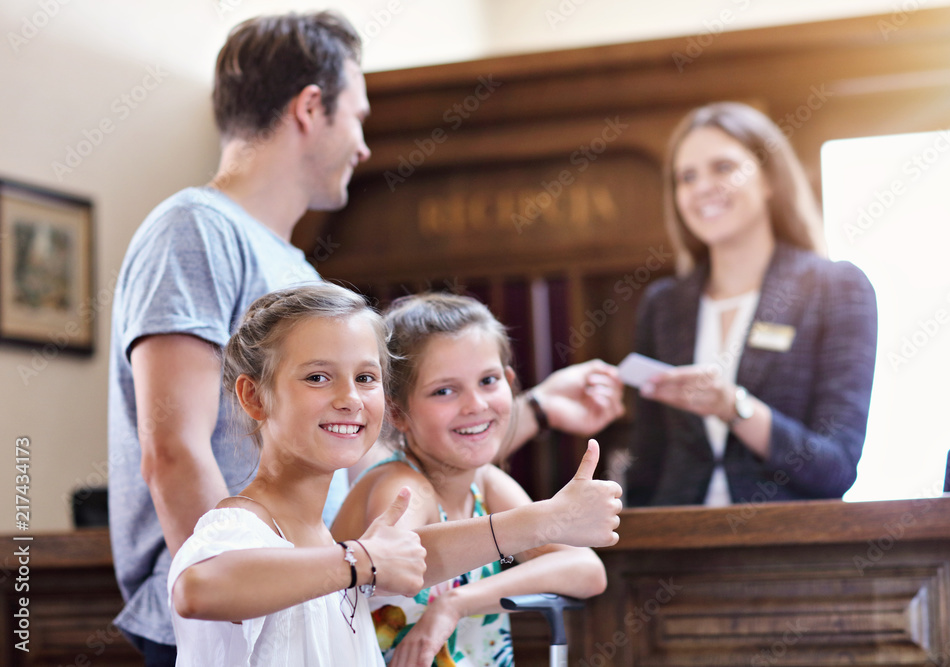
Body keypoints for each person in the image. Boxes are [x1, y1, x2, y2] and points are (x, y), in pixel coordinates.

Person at [107, 11, 624, 665]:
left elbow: (390, 455)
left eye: (366, 377)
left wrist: (540, 413)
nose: (364, 145)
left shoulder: (302, 275)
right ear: (310, 107)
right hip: (248, 616)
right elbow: (174, 450)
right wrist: (255, 606)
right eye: (357, 115)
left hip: (320, 596)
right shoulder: (197, 228)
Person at [167, 283, 623, 667]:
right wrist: (360, 561)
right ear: (254, 397)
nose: (350, 398)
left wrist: (550, 521)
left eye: (366, 378)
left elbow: (411, 559)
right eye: (317, 378)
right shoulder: (243, 528)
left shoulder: (323, 545)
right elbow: (198, 588)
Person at [333, 293, 608, 666]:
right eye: (444, 390)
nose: (476, 405)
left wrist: (458, 603)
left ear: (510, 383)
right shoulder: (403, 485)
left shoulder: (487, 483)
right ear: (396, 411)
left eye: (489, 380)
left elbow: (587, 571)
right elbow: (392, 561)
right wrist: (541, 521)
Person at [626, 101, 877, 507]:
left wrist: (735, 407)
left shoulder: (836, 288)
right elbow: (648, 461)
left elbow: (837, 466)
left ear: (768, 180)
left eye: (723, 168)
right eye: (686, 177)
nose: (703, 187)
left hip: (786, 550)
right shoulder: (664, 305)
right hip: (675, 548)